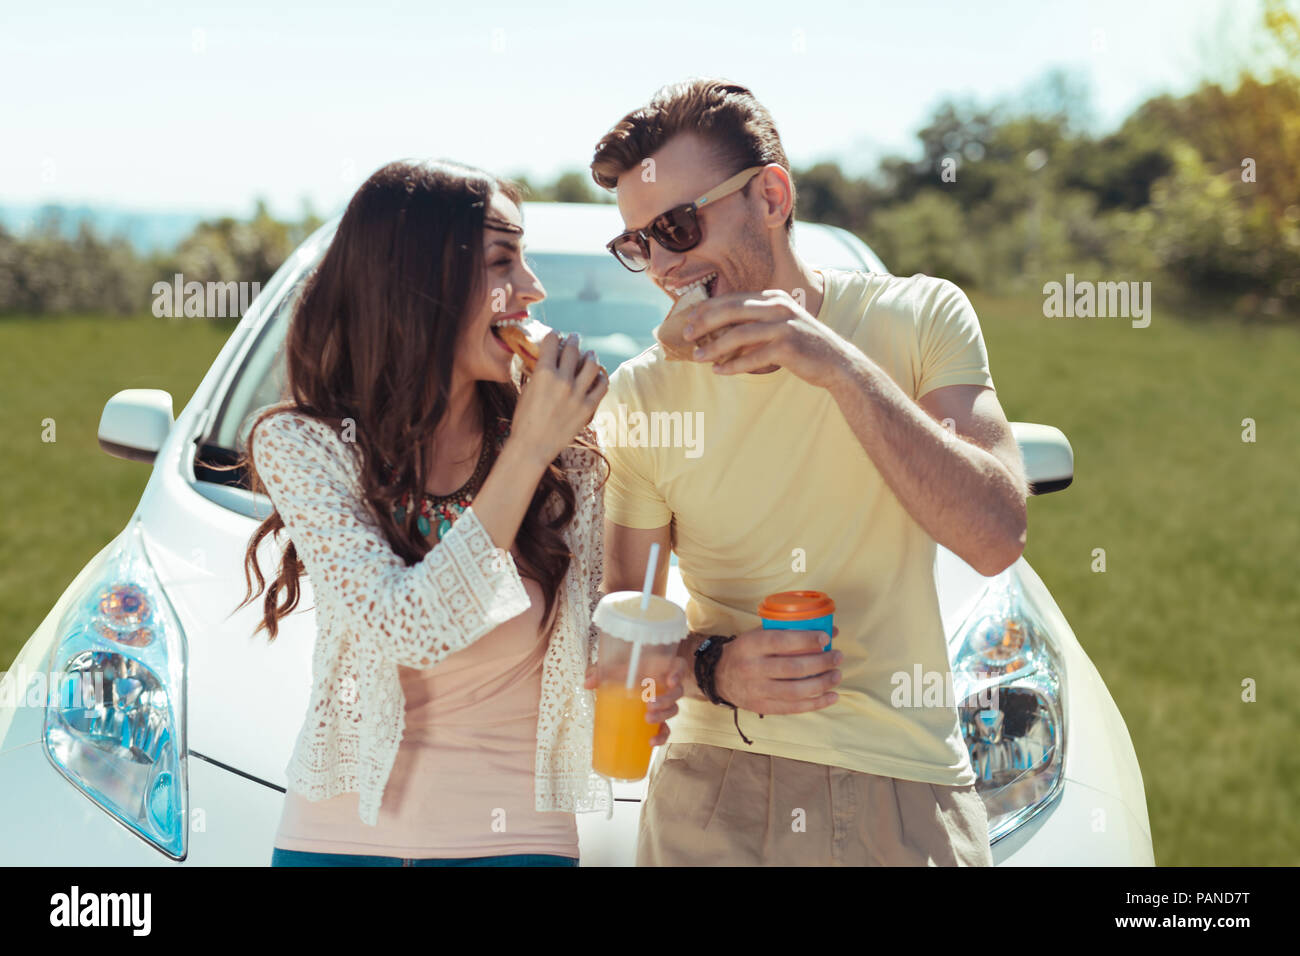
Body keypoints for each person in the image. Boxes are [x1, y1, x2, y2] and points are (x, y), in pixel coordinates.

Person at [588, 80, 1029, 866]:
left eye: (679, 227)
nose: (663, 265)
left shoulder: (922, 318)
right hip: (716, 788)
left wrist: (834, 365)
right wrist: (716, 668)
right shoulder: (647, 393)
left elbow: (995, 535)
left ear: (772, 195)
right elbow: (629, 633)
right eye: (639, 244)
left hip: (908, 788)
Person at [233, 159, 684, 866]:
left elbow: (591, 642)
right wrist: (529, 449)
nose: (533, 291)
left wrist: (649, 666)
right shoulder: (306, 446)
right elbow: (406, 626)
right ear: (418, 281)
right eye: (504, 261)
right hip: (341, 843)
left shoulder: (566, 455)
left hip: (521, 843)